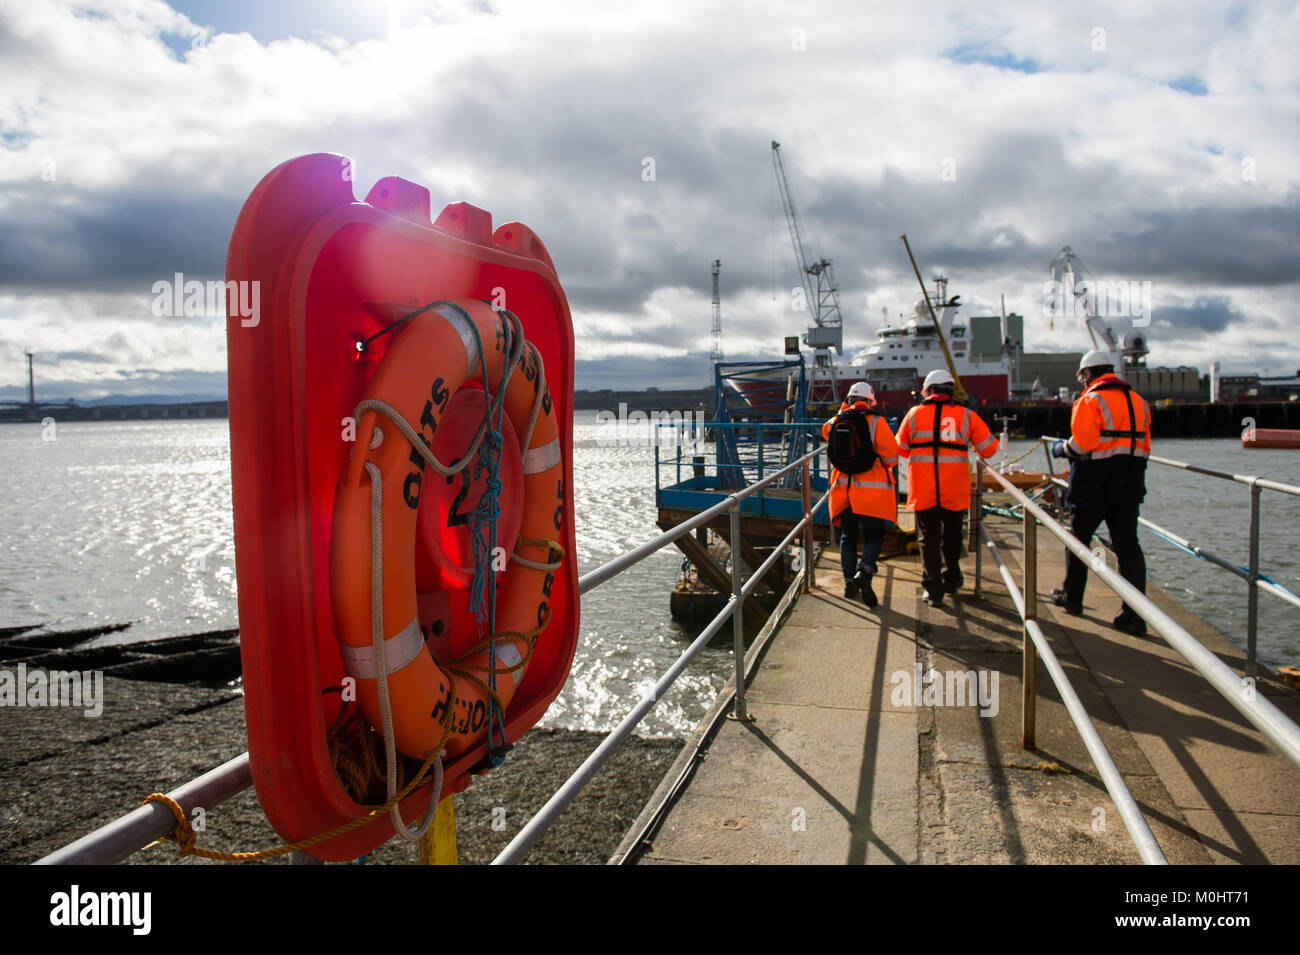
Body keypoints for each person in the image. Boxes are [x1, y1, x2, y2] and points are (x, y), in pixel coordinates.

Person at [1050, 350, 1152, 636]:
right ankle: (1135, 615)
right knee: (1128, 547)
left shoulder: (1090, 400)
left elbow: (1081, 445)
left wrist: (1060, 449)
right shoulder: (1139, 402)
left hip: (1093, 484)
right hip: (1129, 483)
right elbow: (1145, 446)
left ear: (1087, 374)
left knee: (1078, 541)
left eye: (1082, 376)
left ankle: (1072, 598)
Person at [895, 369, 998, 607]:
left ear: (929, 391)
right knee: (952, 535)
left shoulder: (914, 414)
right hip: (954, 487)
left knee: (928, 538)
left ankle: (933, 590)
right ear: (951, 390)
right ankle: (952, 578)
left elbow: (900, 449)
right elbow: (990, 448)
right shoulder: (966, 415)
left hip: (924, 488)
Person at [821, 381, 899, 608]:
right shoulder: (877, 422)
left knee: (848, 537)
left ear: (848, 400)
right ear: (870, 401)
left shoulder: (835, 421)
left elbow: (825, 432)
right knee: (874, 535)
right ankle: (864, 572)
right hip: (871, 493)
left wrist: (843, 409)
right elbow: (892, 458)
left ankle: (848, 583)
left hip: (844, 493)